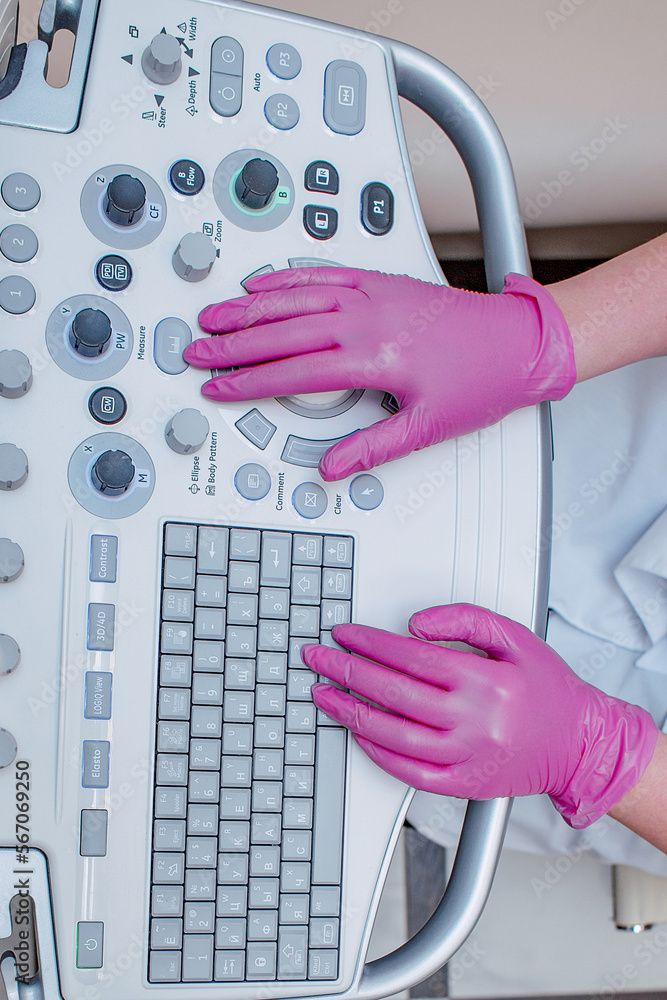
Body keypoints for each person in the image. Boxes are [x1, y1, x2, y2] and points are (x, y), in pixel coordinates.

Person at [183, 233, 667, 854]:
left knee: (215, 712)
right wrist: (541, 337)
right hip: (540, 435)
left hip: (500, 746)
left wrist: (595, 755)